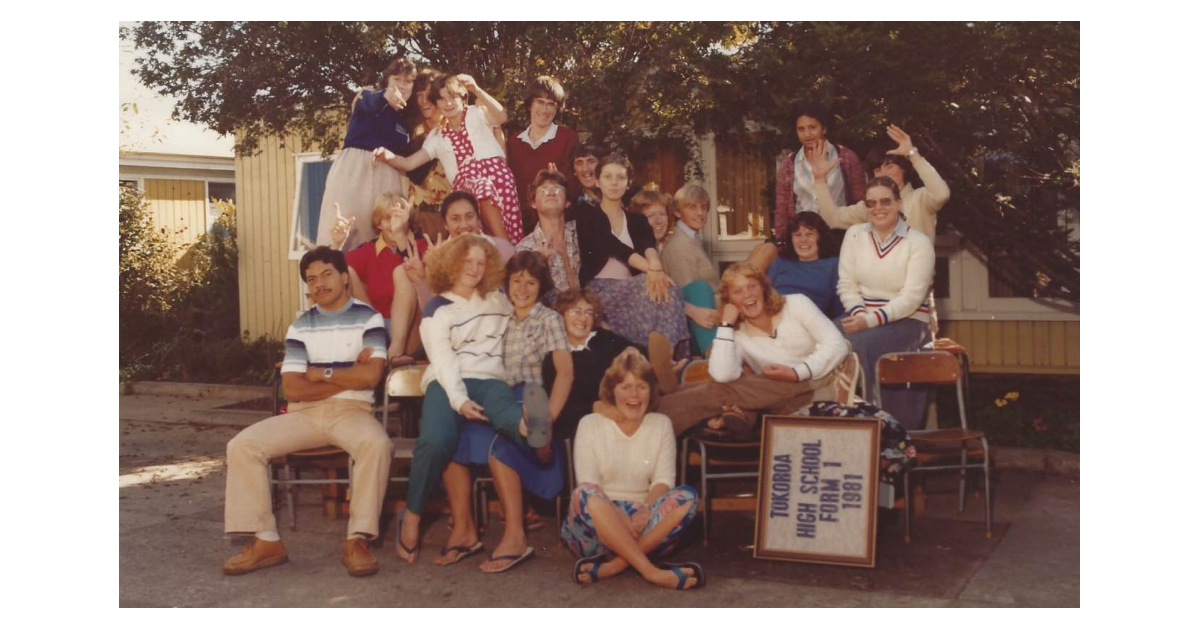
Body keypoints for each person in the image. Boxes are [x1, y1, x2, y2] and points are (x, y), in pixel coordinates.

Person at [223, 246, 392, 578]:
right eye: (312, 279)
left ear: (344, 277)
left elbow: (371, 377)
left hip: (352, 412)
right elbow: (295, 390)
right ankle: (267, 540)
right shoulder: (300, 325)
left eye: (327, 274)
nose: (319, 284)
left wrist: (320, 372)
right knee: (241, 445)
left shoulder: (369, 319)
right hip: (303, 413)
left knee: (377, 444)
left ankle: (357, 540)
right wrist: (347, 375)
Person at [394, 234, 552, 564]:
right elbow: (442, 358)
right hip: (446, 381)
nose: (474, 269)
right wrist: (458, 400)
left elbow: (528, 306)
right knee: (436, 441)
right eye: (467, 262)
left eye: (481, 263)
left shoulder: (497, 299)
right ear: (452, 263)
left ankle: (529, 426)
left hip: (490, 377)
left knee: (505, 411)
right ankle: (412, 515)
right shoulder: (438, 308)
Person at [614, 262, 851, 439]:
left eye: (751, 286)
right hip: (776, 395)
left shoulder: (796, 304)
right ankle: (734, 414)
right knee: (715, 388)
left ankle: (644, 417)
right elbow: (722, 373)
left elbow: (837, 344)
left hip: (818, 383)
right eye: (738, 292)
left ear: (763, 288)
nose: (747, 295)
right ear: (730, 301)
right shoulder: (737, 333)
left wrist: (798, 372)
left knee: (719, 393)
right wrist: (726, 326)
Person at [563, 348, 703, 591]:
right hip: (599, 525)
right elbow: (589, 484)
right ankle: (651, 571)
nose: (634, 395)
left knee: (687, 496)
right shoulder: (590, 424)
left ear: (651, 391)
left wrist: (645, 510)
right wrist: (621, 521)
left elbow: (663, 480)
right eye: (625, 387)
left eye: (642, 386)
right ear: (611, 391)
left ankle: (613, 566)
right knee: (584, 493)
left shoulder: (660, 424)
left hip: (644, 518)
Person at [374, 74, 524, 245]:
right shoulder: (437, 135)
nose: (448, 103)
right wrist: (388, 156)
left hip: (500, 181)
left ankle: (508, 248)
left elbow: (501, 116)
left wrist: (476, 89)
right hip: (467, 191)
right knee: (479, 227)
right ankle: (505, 247)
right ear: (436, 103)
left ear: (463, 99)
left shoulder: (478, 114)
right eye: (442, 99)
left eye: (452, 97)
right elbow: (409, 163)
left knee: (511, 229)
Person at [836, 177, 936, 430]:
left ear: (899, 204)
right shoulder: (854, 234)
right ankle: (832, 419)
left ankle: (878, 427)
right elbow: (846, 284)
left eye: (885, 201)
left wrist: (867, 322)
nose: (878, 208)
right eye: (871, 203)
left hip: (908, 322)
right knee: (823, 338)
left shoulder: (919, 242)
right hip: (861, 316)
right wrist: (860, 315)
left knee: (861, 343)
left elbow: (911, 299)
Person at [578, 154, 689, 353]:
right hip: (599, 291)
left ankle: (668, 357)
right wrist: (652, 270)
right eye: (608, 177)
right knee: (658, 285)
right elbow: (614, 246)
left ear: (628, 183)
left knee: (666, 289)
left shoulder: (637, 220)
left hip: (631, 289)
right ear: (598, 181)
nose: (614, 183)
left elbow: (648, 245)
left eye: (620, 178)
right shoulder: (588, 215)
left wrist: (655, 265)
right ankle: (668, 356)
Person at [316, 58, 418, 251]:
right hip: (355, 172)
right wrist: (385, 95)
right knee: (345, 227)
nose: (402, 86)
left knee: (386, 235)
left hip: (390, 176)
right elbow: (370, 102)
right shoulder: (368, 96)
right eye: (397, 79)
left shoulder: (406, 123)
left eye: (408, 81)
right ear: (387, 80)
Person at [812, 124, 950, 240]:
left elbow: (941, 194)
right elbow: (833, 219)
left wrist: (912, 154)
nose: (884, 174)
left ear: (903, 170)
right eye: (878, 170)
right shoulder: (871, 206)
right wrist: (819, 179)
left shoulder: (920, 199)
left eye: (890, 166)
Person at [542, 289, 642, 443]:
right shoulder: (554, 359)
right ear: (561, 314)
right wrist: (594, 407)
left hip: (635, 402)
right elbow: (561, 413)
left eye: (589, 313)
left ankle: (671, 376)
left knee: (688, 392)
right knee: (682, 405)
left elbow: (642, 351)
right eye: (576, 311)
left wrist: (633, 351)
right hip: (604, 423)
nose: (583, 318)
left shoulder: (603, 337)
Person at [345, 192, 427, 365]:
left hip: (413, 332)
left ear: (407, 218)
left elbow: (427, 285)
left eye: (398, 216)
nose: (393, 223)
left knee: (403, 271)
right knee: (346, 271)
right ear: (378, 223)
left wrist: (400, 236)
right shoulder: (368, 250)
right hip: (377, 330)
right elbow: (329, 269)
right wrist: (338, 244)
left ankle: (394, 351)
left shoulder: (422, 245)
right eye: (387, 218)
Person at [773, 101, 865, 240]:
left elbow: (860, 202)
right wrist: (781, 241)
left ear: (824, 128)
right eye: (801, 129)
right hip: (803, 238)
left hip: (838, 235)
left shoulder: (846, 158)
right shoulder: (789, 165)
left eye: (812, 127)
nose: (807, 134)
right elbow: (782, 210)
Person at [506, 75, 580, 234]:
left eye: (551, 104)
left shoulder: (567, 138)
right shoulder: (513, 143)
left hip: (558, 226)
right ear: (530, 104)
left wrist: (559, 180)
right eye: (540, 102)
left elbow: (574, 189)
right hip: (521, 228)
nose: (545, 110)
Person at [660, 183, 721, 357]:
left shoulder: (691, 239)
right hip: (694, 325)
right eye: (692, 207)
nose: (700, 213)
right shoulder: (680, 246)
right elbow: (689, 294)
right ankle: (713, 355)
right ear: (678, 212)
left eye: (703, 207)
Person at [762, 212, 844, 320]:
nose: (803, 240)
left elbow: (840, 309)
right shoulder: (779, 263)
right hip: (775, 320)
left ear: (820, 237)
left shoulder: (833, 265)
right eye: (797, 235)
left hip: (810, 325)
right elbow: (764, 297)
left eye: (809, 234)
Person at [404, 69, 452, 240]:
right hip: (422, 220)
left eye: (428, 93)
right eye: (418, 95)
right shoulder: (409, 134)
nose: (424, 100)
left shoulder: (456, 128)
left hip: (456, 219)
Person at [628, 186, 673, 251]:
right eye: (650, 215)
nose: (659, 221)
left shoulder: (667, 247)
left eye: (662, 214)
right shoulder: (633, 251)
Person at [570, 142, 602, 208]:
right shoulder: (573, 207)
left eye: (591, 162)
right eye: (579, 163)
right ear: (574, 171)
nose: (585, 169)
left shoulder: (621, 199)